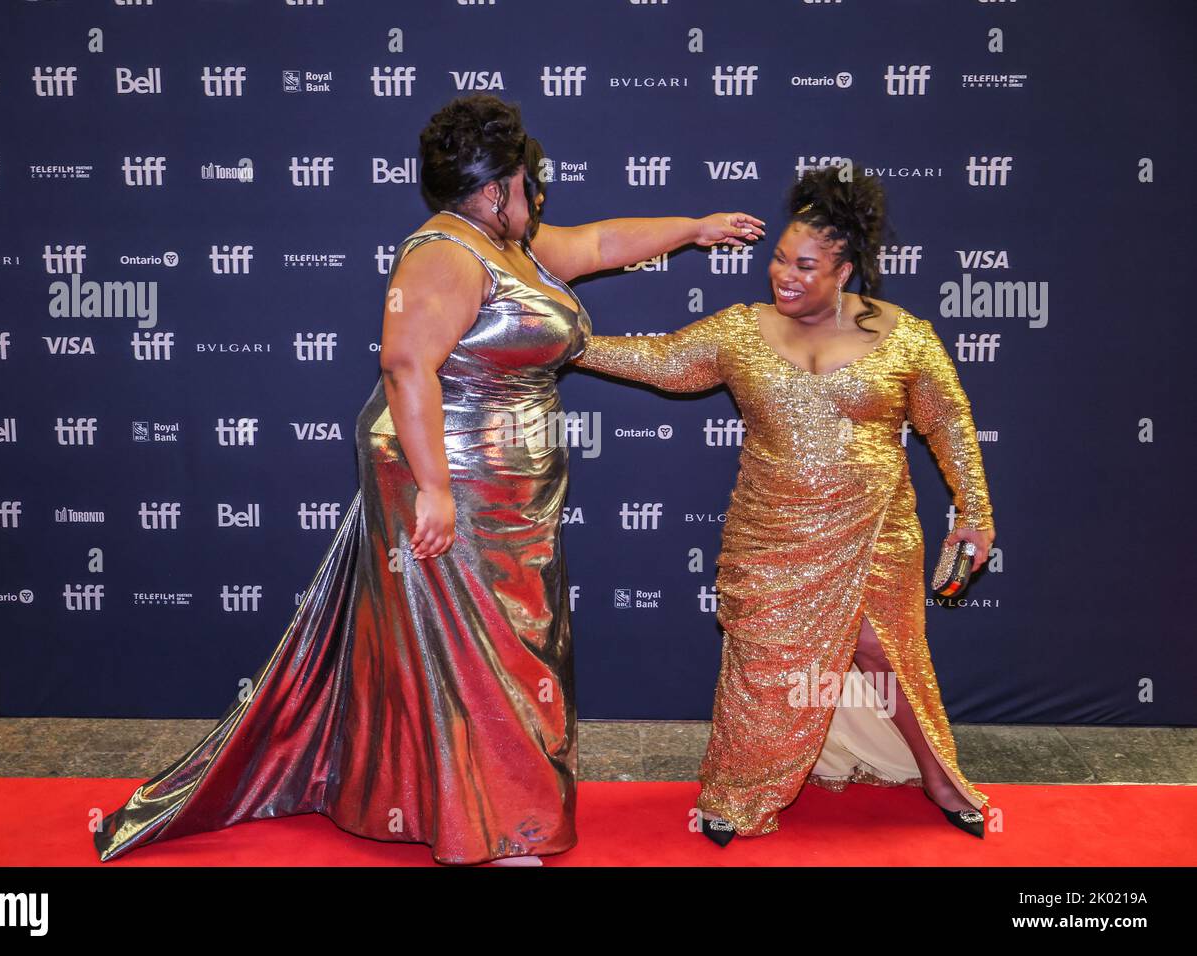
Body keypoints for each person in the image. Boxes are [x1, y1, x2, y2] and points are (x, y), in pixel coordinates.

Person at [92, 93, 764, 866]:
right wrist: (436, 490)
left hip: (510, 487)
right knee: (479, 651)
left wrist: (695, 229)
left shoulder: (510, 241)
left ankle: (489, 804)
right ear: (492, 190)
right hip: (449, 472)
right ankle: (495, 827)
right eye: (527, 183)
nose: (539, 196)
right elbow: (407, 365)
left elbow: (604, 240)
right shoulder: (445, 252)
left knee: (510, 644)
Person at [568, 163, 996, 843]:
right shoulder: (742, 330)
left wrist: (974, 513)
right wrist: (574, 346)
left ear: (843, 272)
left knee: (883, 653)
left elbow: (947, 420)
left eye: (804, 266)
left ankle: (939, 777)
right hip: (771, 533)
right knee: (762, 665)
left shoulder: (905, 334)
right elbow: (667, 362)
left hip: (875, 532)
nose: (783, 276)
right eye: (777, 260)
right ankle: (738, 792)